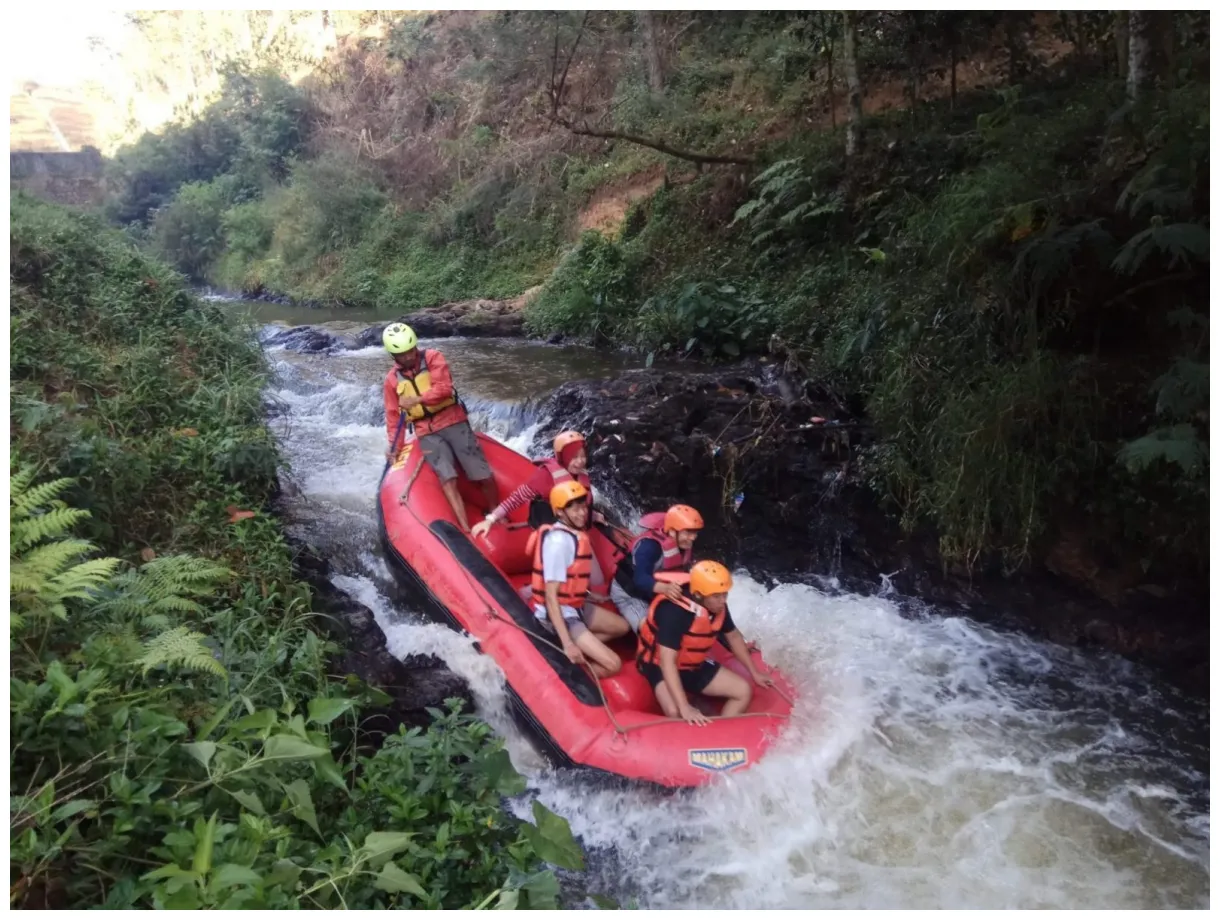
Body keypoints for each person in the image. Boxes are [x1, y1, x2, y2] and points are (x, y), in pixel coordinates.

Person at [382, 322, 497, 532]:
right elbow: (392, 417)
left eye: (410, 351)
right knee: (447, 477)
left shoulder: (433, 357)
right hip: (425, 431)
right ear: (393, 356)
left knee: (481, 473)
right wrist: (395, 447)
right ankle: (465, 529)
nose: (408, 357)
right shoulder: (391, 381)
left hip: (452, 419)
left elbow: (443, 389)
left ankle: (496, 513)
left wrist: (416, 399)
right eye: (402, 355)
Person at [636, 561, 773, 726]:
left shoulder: (718, 606)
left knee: (743, 691)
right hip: (658, 665)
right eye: (717, 596)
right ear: (699, 594)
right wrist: (684, 706)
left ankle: (721, 738)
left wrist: (755, 673)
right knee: (675, 712)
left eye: (725, 594)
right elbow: (667, 662)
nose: (722, 601)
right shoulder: (674, 612)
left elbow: (734, 637)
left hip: (691, 665)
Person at [528, 481, 630, 678]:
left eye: (583, 507)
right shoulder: (558, 543)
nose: (581, 513)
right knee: (613, 664)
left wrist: (590, 597)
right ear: (559, 512)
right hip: (560, 615)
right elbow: (551, 597)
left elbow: (571, 580)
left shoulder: (573, 534)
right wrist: (568, 644)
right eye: (574, 509)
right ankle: (577, 677)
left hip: (575, 605)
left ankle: (578, 646)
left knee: (622, 627)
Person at [472, 430, 606, 537]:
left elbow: (577, 504)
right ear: (563, 457)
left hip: (573, 529)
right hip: (553, 530)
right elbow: (516, 498)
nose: (580, 462)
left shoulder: (580, 473)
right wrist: (491, 519)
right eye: (574, 457)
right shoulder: (545, 476)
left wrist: (592, 516)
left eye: (583, 456)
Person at [610, 504, 704, 632]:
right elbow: (640, 579)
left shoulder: (683, 545)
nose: (693, 537)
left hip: (654, 593)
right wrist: (666, 589)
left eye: (695, 533)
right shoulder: (649, 546)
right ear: (671, 531)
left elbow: (683, 575)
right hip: (629, 594)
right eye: (688, 532)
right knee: (650, 632)